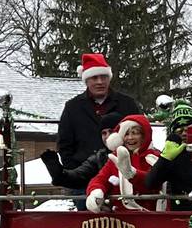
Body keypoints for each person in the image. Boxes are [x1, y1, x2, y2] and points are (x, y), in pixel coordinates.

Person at [57, 53, 141, 206]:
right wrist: (76, 173)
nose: (100, 82)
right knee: (87, 226)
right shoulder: (72, 108)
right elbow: (64, 145)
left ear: (109, 77)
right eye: (94, 78)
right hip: (85, 182)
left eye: (104, 77)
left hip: (124, 180)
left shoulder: (127, 104)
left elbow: (142, 137)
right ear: (86, 80)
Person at [85, 114, 162, 213]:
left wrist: (133, 174)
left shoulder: (154, 158)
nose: (130, 138)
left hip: (149, 217)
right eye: (126, 134)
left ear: (144, 136)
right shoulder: (116, 156)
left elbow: (154, 183)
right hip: (120, 219)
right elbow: (101, 179)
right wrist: (96, 192)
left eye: (135, 133)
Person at [41, 111, 123, 193]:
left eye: (111, 131)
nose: (107, 136)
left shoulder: (134, 152)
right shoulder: (99, 158)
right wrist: (55, 169)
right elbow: (77, 177)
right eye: (104, 133)